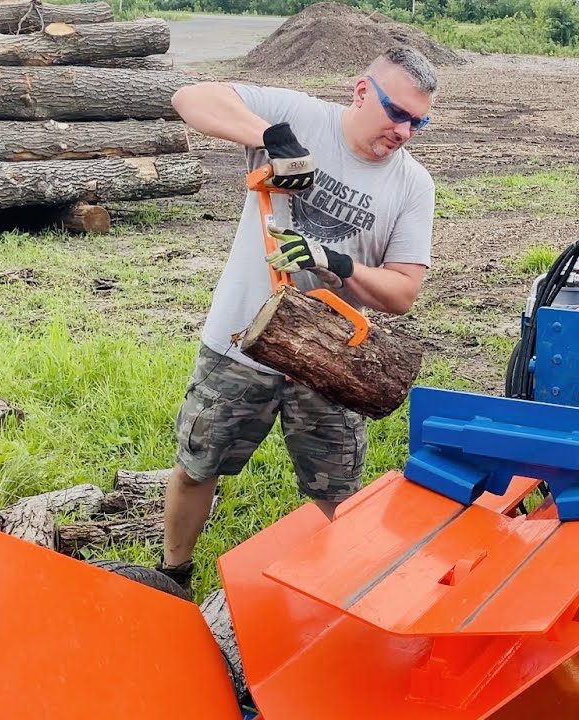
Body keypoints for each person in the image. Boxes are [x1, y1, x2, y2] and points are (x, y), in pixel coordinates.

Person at [156, 45, 439, 591]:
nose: (405, 131)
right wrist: (271, 137)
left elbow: (403, 292)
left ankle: (344, 594)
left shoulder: (412, 185)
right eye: (397, 114)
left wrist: (334, 262)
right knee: (197, 467)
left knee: (339, 495)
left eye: (418, 122)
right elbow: (190, 97)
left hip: (328, 358)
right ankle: (175, 576)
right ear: (361, 92)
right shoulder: (301, 117)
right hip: (241, 339)